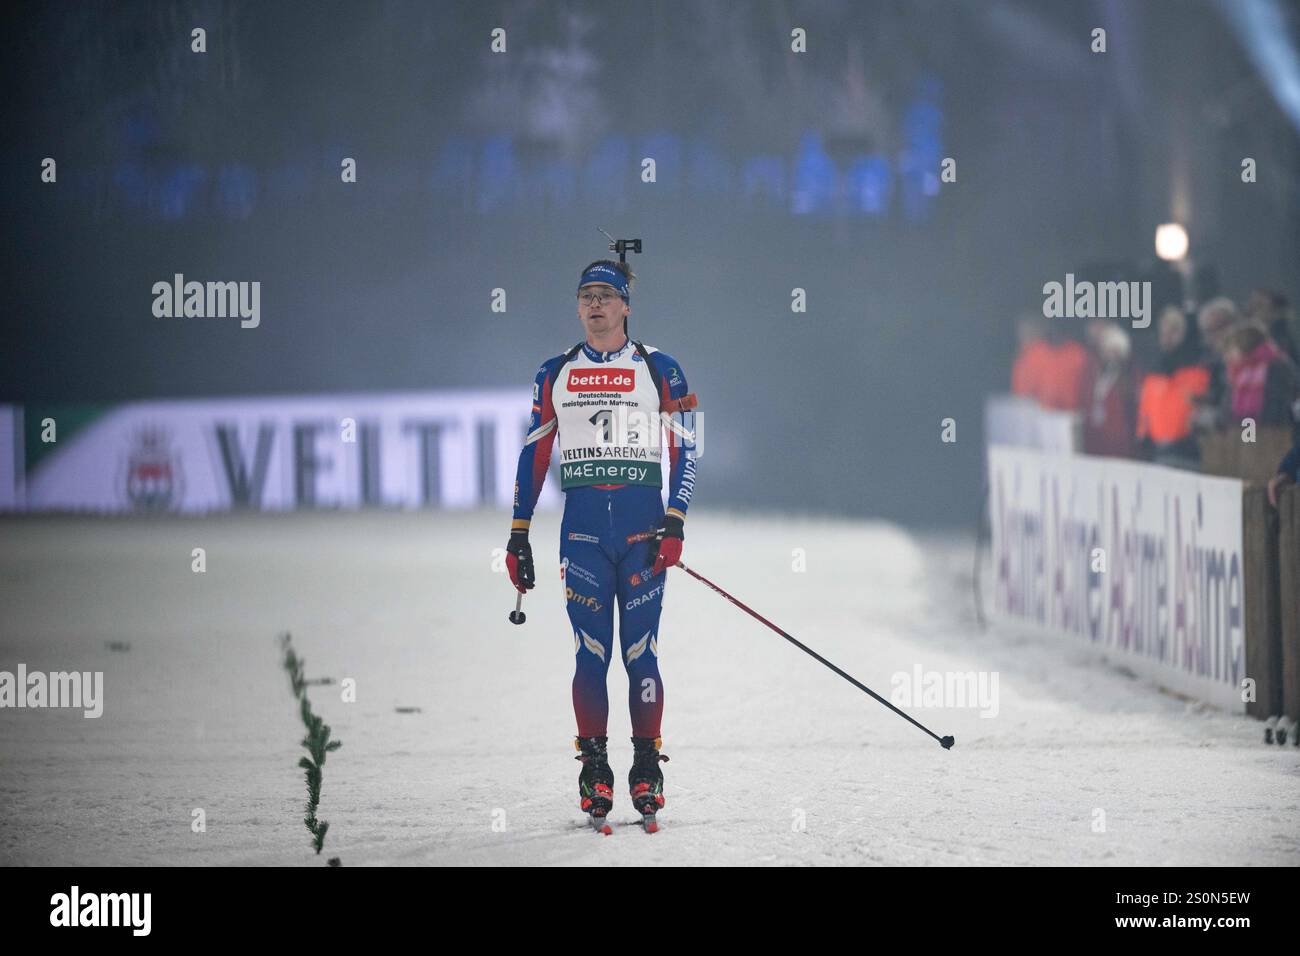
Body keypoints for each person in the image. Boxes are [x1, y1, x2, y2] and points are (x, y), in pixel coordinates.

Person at [504, 258, 699, 831]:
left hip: (642, 533)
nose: (595, 305)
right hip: (584, 536)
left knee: (641, 653)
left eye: (605, 296)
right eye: (586, 295)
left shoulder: (659, 367)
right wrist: (519, 533)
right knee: (591, 654)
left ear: (625, 306)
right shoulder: (554, 372)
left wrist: (676, 519)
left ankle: (646, 765)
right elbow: (535, 453)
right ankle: (594, 769)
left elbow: (686, 448)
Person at [1136, 306, 1210, 470]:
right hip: (1158, 455)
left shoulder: (1201, 371)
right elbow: (1145, 413)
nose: (1167, 338)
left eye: (1174, 331)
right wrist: (1143, 440)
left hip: (1191, 457)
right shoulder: (1154, 372)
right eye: (1164, 332)